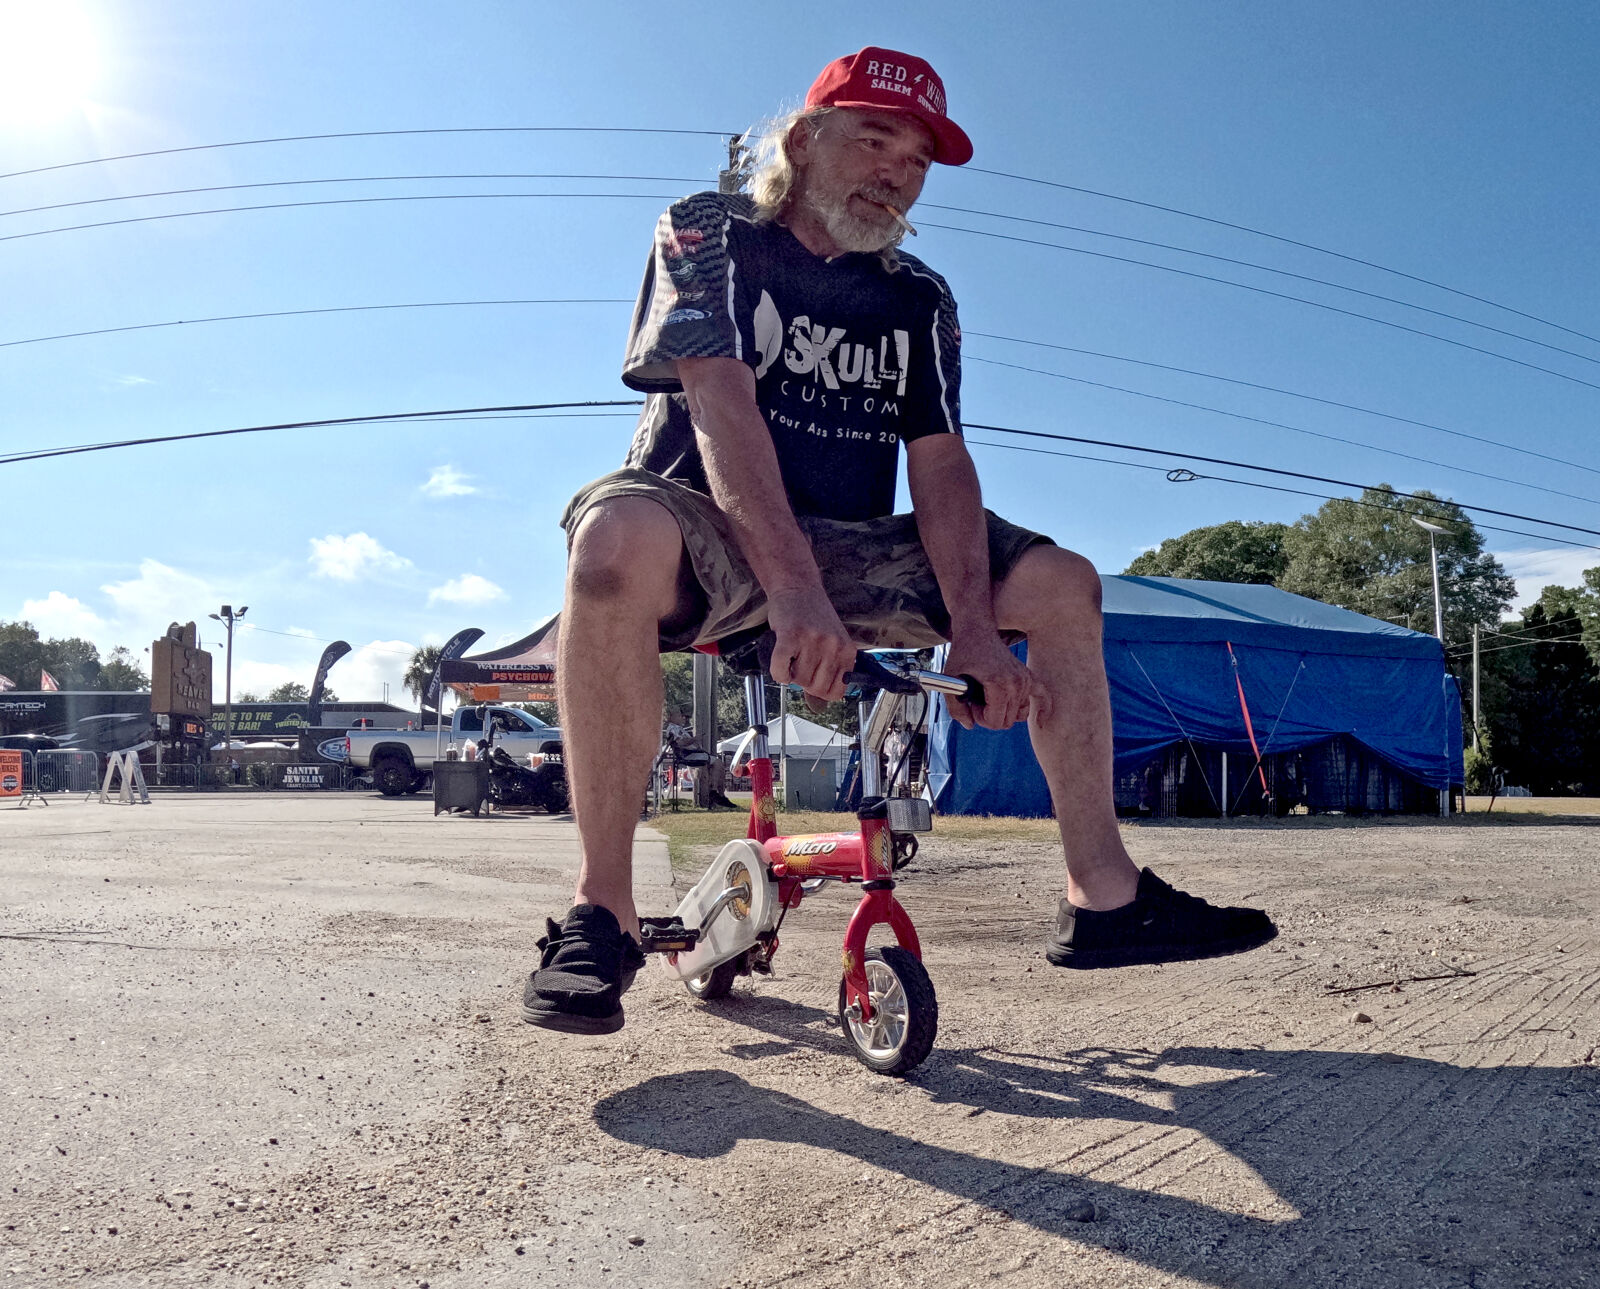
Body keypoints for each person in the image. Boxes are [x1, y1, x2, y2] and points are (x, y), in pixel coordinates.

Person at [523, 47, 1275, 1034]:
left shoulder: (918, 297)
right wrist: (794, 597)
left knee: (1061, 581)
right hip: (706, 528)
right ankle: (603, 913)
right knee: (611, 531)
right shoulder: (708, 231)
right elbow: (718, 400)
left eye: (917, 159)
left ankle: (1103, 892)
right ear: (802, 140)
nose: (895, 170)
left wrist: (973, 631)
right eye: (873, 138)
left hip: (857, 541)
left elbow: (942, 464)